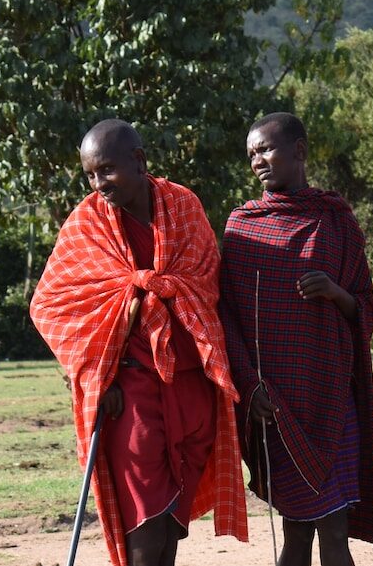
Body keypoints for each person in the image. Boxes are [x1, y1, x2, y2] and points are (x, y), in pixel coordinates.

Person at [31, 120, 246, 566]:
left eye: (107, 170)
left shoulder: (183, 205)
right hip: (128, 393)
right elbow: (50, 305)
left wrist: (160, 289)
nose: (98, 184)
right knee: (145, 525)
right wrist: (98, 378)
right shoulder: (87, 224)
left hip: (190, 385)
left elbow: (207, 280)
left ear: (140, 160)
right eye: (90, 174)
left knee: (171, 527)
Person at [219, 112, 373, 566]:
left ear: (300, 151)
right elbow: (226, 317)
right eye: (252, 153)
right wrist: (250, 388)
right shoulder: (242, 227)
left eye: (266, 149)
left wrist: (334, 292)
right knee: (294, 532)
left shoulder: (336, 222)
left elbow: (365, 308)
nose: (258, 161)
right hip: (276, 405)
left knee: (333, 530)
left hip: (331, 398)